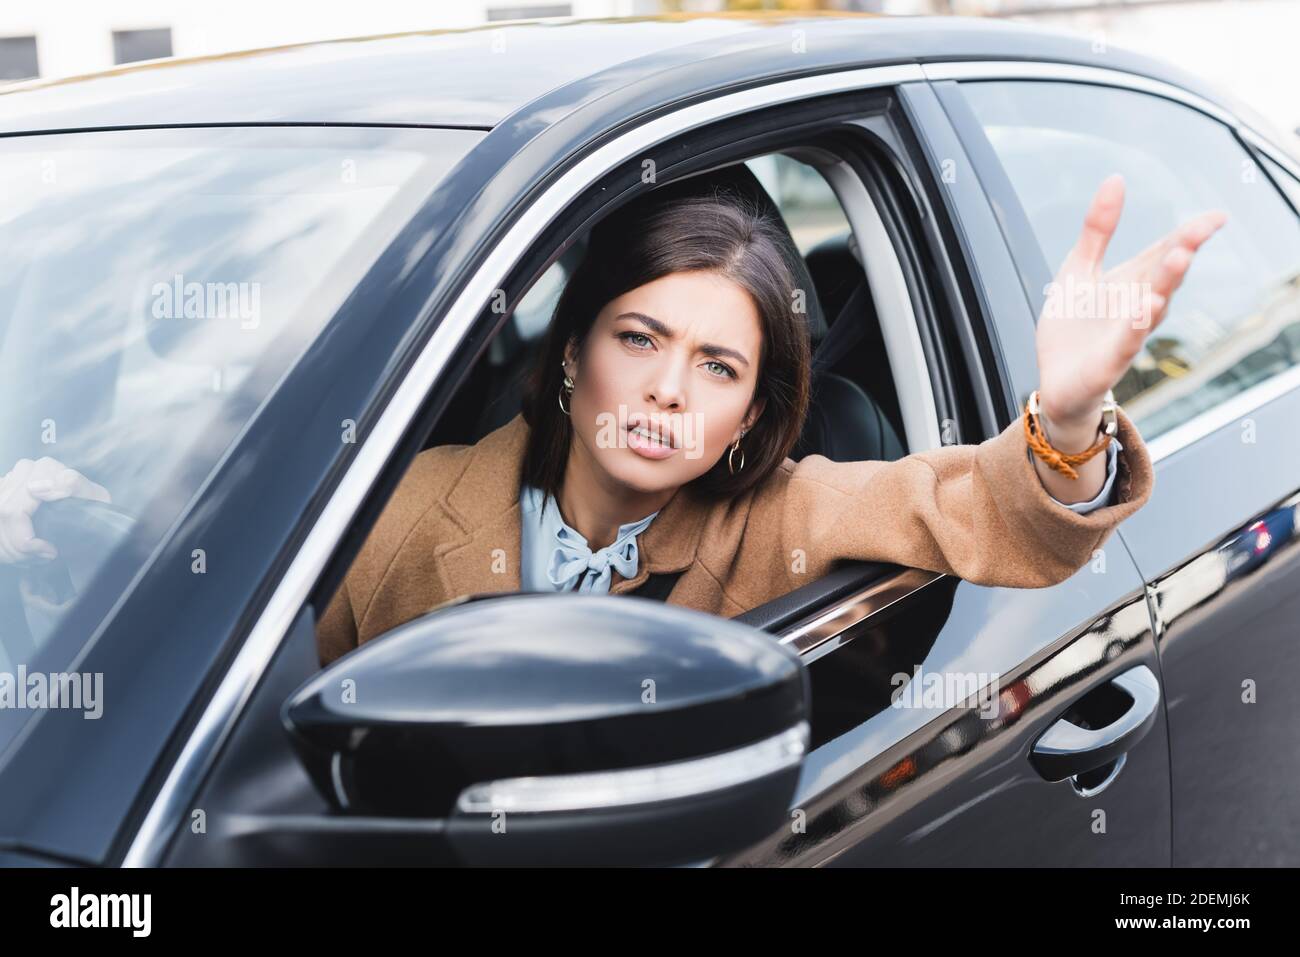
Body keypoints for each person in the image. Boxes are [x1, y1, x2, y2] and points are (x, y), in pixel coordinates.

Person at [0, 174, 1227, 670]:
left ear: (753, 411)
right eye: (636, 340)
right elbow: (228, 651)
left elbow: (962, 502)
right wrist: (69, 540)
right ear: (570, 356)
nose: (664, 390)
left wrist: (1062, 418)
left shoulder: (777, 513)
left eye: (715, 366)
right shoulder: (400, 502)